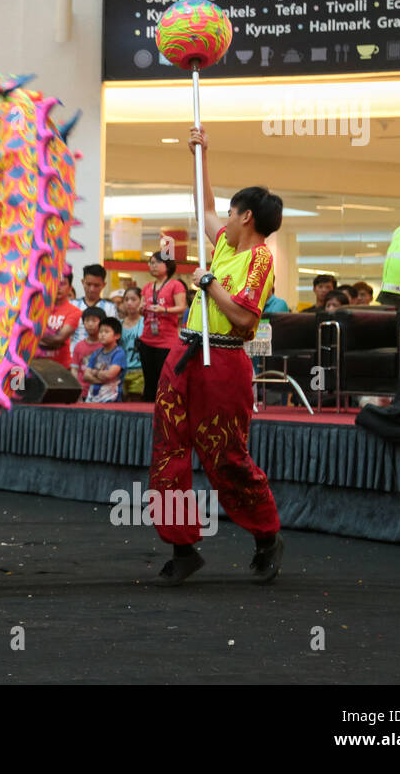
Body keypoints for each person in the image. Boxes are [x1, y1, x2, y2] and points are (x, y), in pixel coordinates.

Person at [150, 126, 284, 586]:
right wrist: (200, 155)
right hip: (184, 354)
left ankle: (266, 535)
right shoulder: (226, 244)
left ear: (246, 217)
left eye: (231, 211)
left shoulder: (261, 261)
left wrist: (210, 285)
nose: (221, 218)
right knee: (169, 452)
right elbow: (203, 208)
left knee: (226, 457)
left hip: (223, 362)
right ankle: (182, 547)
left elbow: (245, 321)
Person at [138, 249, 185, 402]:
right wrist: (141, 308)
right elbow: (142, 308)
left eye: (157, 262)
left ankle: (163, 410)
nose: (153, 266)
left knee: (163, 378)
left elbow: (181, 308)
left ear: (167, 265)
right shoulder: (147, 287)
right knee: (149, 380)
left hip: (166, 340)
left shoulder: (175, 285)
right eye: (151, 262)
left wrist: (164, 309)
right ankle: (147, 409)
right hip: (147, 338)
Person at [38, 272, 82, 368]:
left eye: (62, 284)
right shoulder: (37, 308)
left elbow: (59, 339)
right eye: (55, 282)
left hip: (61, 368)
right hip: (36, 365)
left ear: (70, 288)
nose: (58, 287)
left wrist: (35, 338)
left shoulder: (74, 311)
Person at [78, 319, 127, 403]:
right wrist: (103, 379)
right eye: (100, 332)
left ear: (117, 336)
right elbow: (86, 376)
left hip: (111, 399)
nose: (102, 335)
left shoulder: (119, 353)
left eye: (106, 332)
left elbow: (109, 375)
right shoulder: (96, 353)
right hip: (92, 398)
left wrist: (94, 372)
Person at [118, 286, 146, 400]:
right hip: (121, 371)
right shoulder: (118, 325)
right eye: (126, 299)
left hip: (141, 372)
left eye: (133, 299)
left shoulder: (146, 322)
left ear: (141, 301)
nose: (129, 303)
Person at [70, 306, 107, 383]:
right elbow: (74, 369)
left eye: (94, 321)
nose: (90, 324)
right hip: (82, 391)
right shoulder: (79, 346)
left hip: (101, 391)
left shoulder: (107, 345)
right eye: (87, 320)